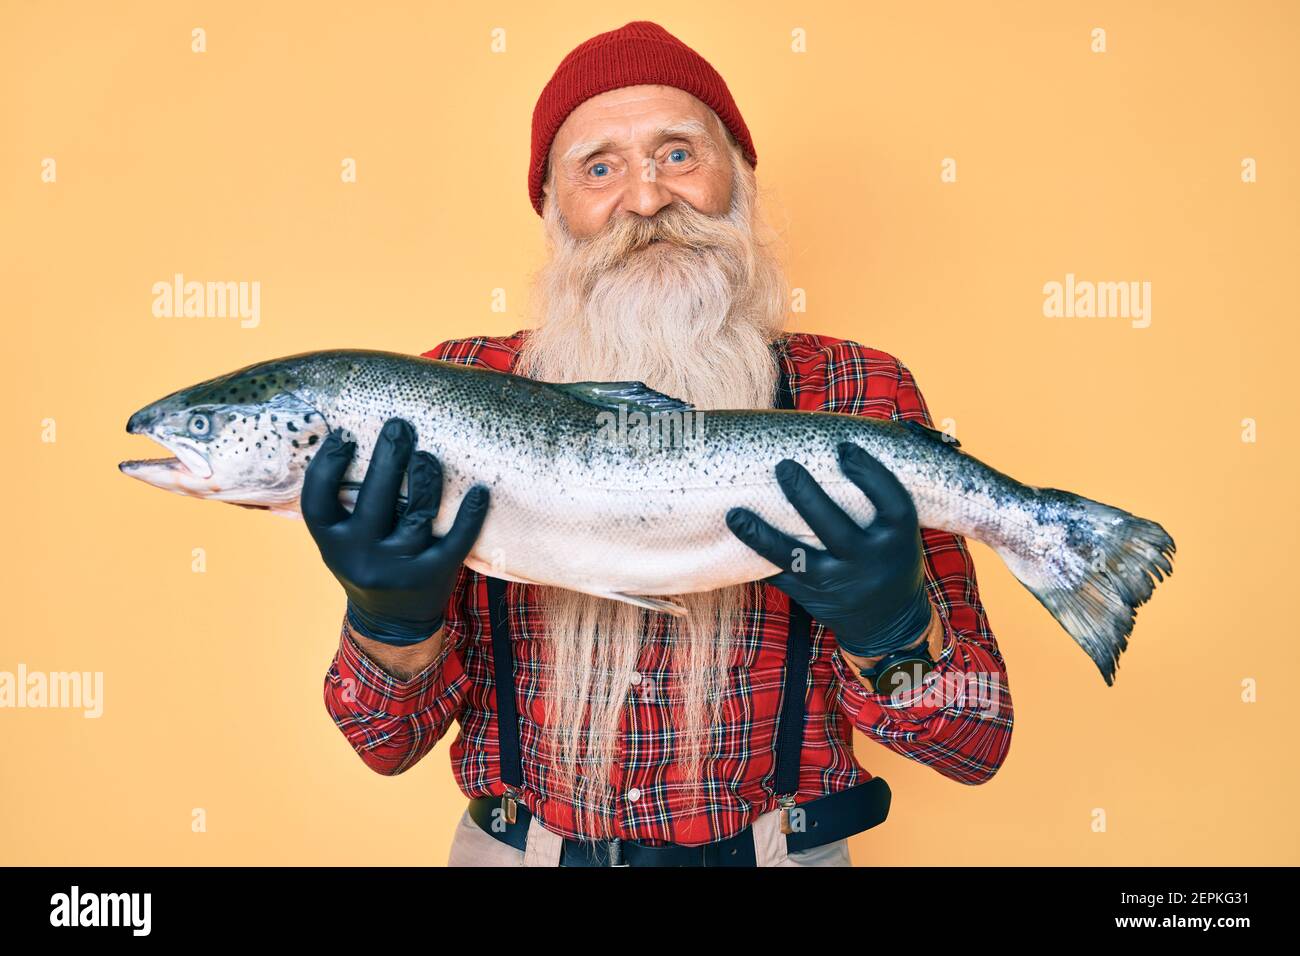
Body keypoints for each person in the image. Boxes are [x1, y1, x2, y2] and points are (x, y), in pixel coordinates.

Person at [306, 20, 1013, 867]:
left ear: (739, 183)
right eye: (598, 168)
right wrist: (391, 622)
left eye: (679, 154)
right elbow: (383, 743)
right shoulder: (454, 390)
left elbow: (969, 740)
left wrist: (892, 638)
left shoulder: (855, 394)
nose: (644, 200)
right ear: (555, 211)